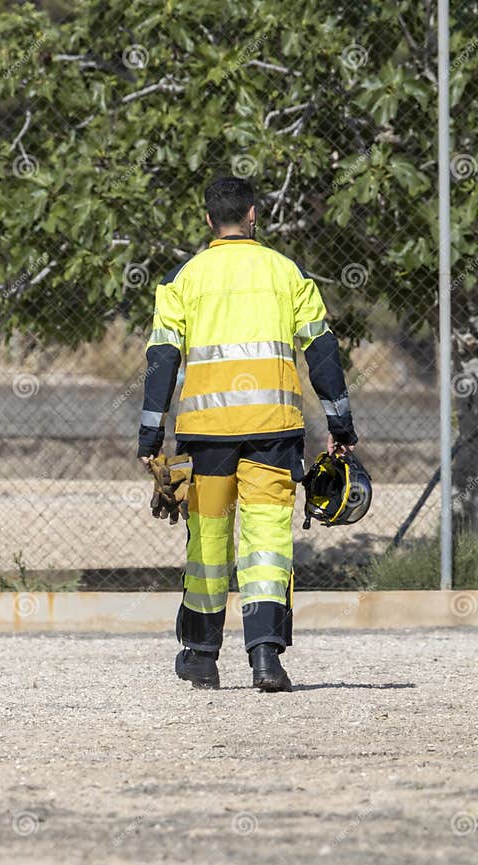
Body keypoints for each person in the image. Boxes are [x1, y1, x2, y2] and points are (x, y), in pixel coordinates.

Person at [137, 176, 358, 691]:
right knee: (267, 544)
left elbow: (162, 360)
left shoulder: (182, 278)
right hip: (274, 432)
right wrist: (340, 425)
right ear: (254, 214)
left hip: (205, 435)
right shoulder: (287, 273)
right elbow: (323, 352)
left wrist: (150, 435)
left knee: (209, 543)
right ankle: (266, 659)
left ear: (208, 219)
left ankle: (200, 656)